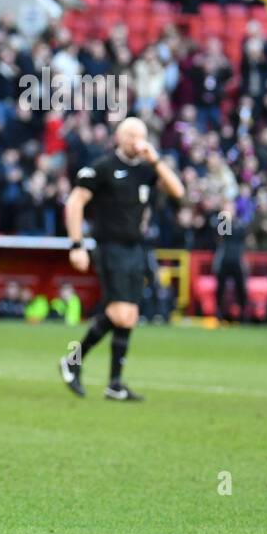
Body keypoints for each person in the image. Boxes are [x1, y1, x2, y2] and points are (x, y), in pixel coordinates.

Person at [59, 117, 184, 401]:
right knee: (118, 313)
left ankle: (111, 383)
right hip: (110, 246)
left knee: (128, 316)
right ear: (119, 137)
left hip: (136, 248)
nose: (136, 141)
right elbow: (75, 202)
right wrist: (77, 244)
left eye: (141, 136)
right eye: (131, 135)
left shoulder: (145, 170)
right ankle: (76, 363)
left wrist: (156, 161)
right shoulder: (102, 168)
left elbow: (179, 192)